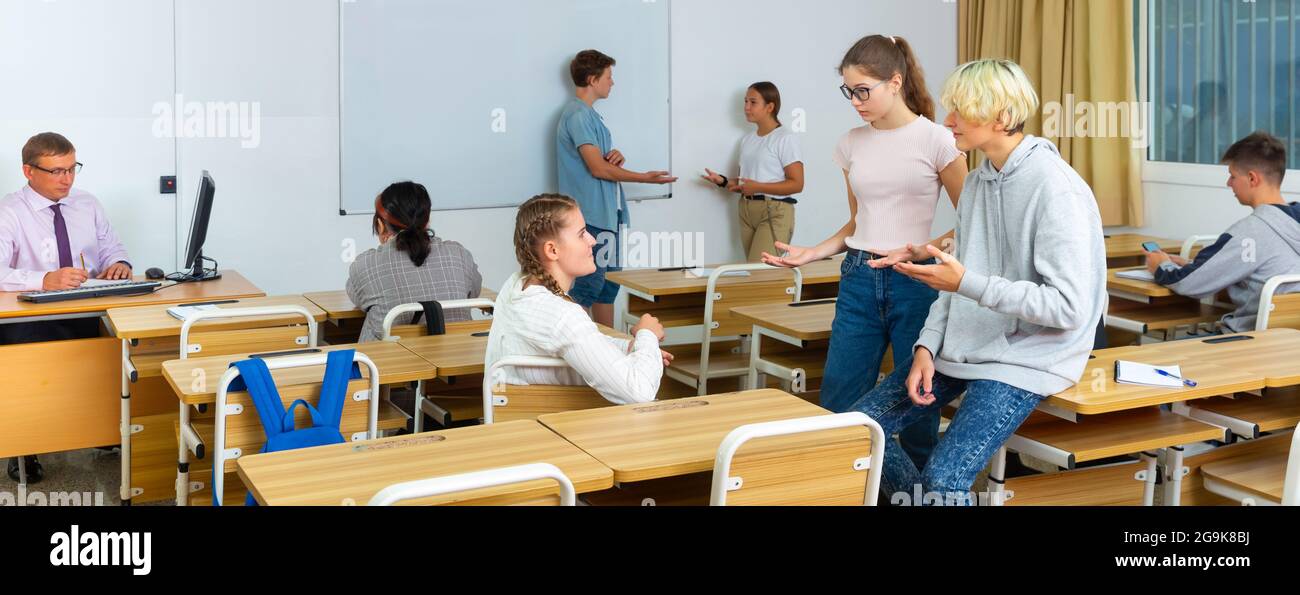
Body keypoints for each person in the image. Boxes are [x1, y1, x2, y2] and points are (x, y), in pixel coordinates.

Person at [849, 59, 1107, 505]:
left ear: (1002, 117)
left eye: (962, 111)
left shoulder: (1055, 188)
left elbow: (1069, 308)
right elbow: (958, 279)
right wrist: (927, 347)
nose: (948, 121)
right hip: (965, 342)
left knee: (942, 482)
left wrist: (968, 282)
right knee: (857, 431)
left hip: (1030, 355)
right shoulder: (976, 183)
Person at [762, 35, 967, 470]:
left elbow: (971, 222)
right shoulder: (850, 143)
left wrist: (923, 250)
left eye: (862, 91)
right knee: (838, 400)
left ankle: (913, 496)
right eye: (848, 92)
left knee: (916, 411)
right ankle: (847, 489)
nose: (855, 101)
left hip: (917, 279)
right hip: (858, 276)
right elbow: (860, 222)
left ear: (895, 82)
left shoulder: (938, 140)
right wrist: (812, 252)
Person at [0, 132, 134, 483]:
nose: (67, 179)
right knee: (31, 365)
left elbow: (111, 247)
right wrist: (44, 279)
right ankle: (25, 447)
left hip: (85, 307)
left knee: (120, 347)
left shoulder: (87, 204)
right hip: (31, 316)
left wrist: (118, 262)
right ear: (29, 171)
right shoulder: (9, 211)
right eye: (57, 171)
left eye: (72, 169)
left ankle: (105, 428)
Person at [484, 194, 672, 405]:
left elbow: (582, 341)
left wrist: (630, 347)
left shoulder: (514, 286)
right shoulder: (561, 315)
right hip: (566, 430)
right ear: (552, 250)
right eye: (582, 234)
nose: (593, 240)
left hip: (521, 426)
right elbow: (639, 392)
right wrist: (647, 335)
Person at [557, 49, 676, 326]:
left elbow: (602, 162)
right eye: (609, 76)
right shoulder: (577, 115)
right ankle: (584, 361)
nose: (612, 82)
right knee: (587, 288)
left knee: (607, 288)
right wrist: (645, 178)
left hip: (608, 218)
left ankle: (608, 355)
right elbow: (598, 168)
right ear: (592, 79)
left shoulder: (592, 117)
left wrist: (615, 155)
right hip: (591, 220)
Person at [1146, 131, 1300, 332]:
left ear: (1252, 178)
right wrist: (1199, 265)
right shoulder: (1291, 220)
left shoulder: (1250, 232)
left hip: (1248, 343)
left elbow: (1188, 283)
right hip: (1289, 345)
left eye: (1232, 176)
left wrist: (1161, 265)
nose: (1229, 183)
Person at [346, 181, 483, 343]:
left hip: (390, 365)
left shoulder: (365, 265)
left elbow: (358, 298)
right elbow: (474, 291)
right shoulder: (458, 254)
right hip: (457, 362)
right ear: (427, 221)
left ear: (380, 225)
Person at [701, 81, 804, 262]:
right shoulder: (748, 140)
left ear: (770, 107)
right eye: (745, 101)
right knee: (752, 271)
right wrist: (724, 181)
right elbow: (747, 182)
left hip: (774, 211)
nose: (746, 107)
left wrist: (757, 187)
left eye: (753, 102)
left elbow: (797, 184)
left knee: (761, 273)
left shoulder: (785, 138)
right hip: (746, 210)